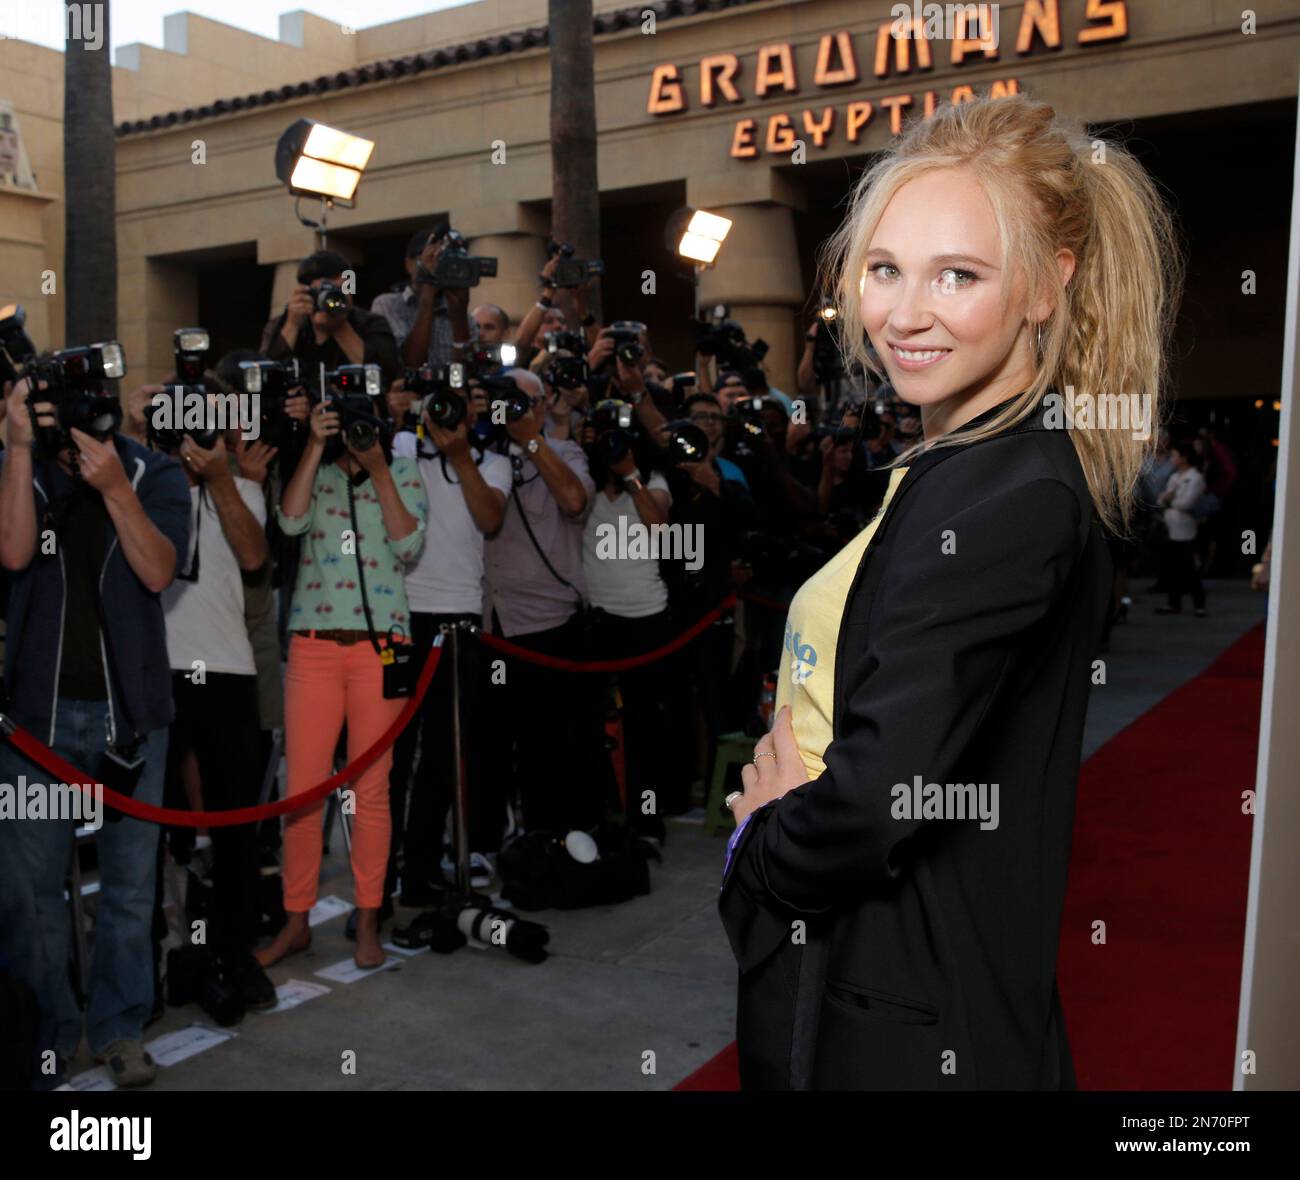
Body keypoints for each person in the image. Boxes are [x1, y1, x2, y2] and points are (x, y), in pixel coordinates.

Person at [719, 94, 1180, 1090]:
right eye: (884, 269)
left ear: (1047, 286)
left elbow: (883, 798)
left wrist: (761, 849)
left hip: (897, 1018)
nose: (903, 313)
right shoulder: (969, 462)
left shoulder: (1009, 490)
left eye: (957, 275)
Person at [0, 375, 191, 1088]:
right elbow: (13, 554)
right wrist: (20, 449)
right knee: (31, 890)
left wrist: (116, 489)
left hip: (132, 716)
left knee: (130, 889)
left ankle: (119, 1027)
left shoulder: (153, 470)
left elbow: (158, 569)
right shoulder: (23, 466)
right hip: (33, 724)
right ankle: (48, 1034)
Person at [256, 393, 427, 970]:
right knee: (302, 793)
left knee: (369, 793)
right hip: (313, 647)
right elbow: (291, 519)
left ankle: (369, 921)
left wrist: (378, 468)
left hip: (382, 650)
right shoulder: (317, 468)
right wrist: (313, 446)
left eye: (364, 419)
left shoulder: (403, 470)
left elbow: (408, 544)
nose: (356, 428)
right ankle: (296, 921)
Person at [157, 423, 275, 1011]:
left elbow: (254, 555)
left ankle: (236, 951)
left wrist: (222, 478)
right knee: (152, 831)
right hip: (154, 671)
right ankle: (162, 959)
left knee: (237, 832)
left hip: (227, 670)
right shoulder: (144, 484)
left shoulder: (241, 488)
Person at [387, 383, 511, 897]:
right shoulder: (401, 449)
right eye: (437, 404)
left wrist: (461, 454)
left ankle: (418, 870)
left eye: (457, 406)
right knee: (391, 756)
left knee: (442, 755)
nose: (445, 414)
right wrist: (399, 415)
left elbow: (489, 517)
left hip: (459, 621)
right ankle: (382, 871)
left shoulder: (494, 462)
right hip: (400, 618)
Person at [480, 368, 602, 837]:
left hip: (550, 624)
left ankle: (559, 841)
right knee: (494, 747)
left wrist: (532, 441)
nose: (515, 411)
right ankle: (502, 841)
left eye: (524, 402)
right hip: (491, 625)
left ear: (542, 406)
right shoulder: (481, 457)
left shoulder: (565, 452)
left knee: (552, 746)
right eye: (506, 402)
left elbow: (574, 501)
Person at [264, 250, 400, 388]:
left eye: (343, 289)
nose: (334, 298)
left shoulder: (371, 323)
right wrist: (292, 325)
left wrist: (340, 328)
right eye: (324, 291)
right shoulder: (283, 324)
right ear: (306, 292)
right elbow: (266, 376)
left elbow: (385, 377)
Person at [371, 227, 474, 370]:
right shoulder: (387, 305)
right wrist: (428, 291)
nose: (438, 265)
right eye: (431, 257)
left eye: (445, 259)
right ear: (409, 264)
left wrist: (459, 318)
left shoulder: (461, 313)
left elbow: (468, 371)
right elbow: (410, 364)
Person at [1155, 440, 1208, 616]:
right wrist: (1167, 499)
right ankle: (1173, 602)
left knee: (1188, 567)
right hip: (1170, 525)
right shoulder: (1174, 477)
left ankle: (1199, 604)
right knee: (1172, 567)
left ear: (1185, 458)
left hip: (1185, 529)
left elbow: (1187, 503)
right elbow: (1160, 499)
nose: (1172, 458)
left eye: (1176, 455)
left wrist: (1169, 499)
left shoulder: (1195, 478)